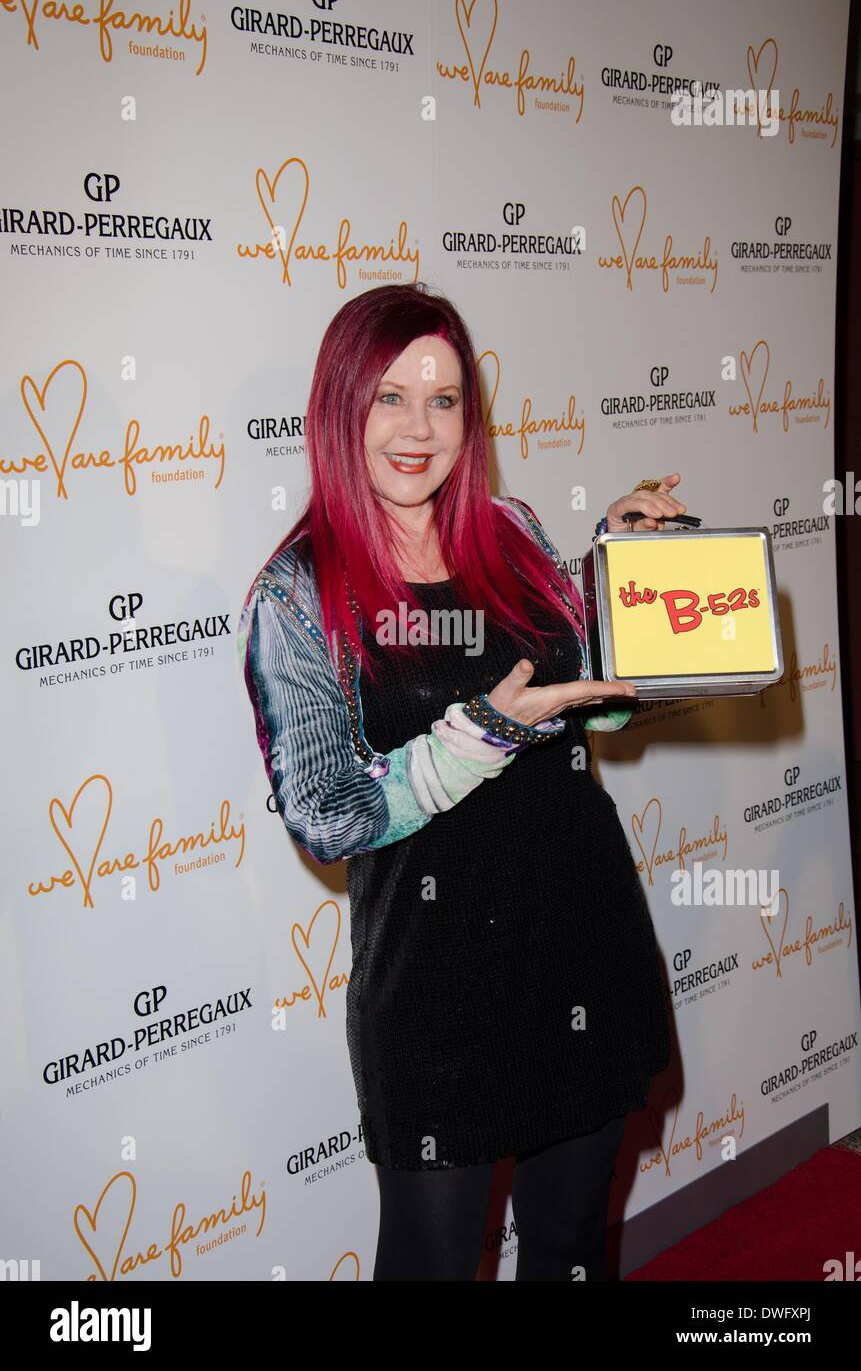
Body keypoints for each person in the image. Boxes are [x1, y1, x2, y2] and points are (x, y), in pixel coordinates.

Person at [237, 282, 677, 1282]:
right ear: (339, 408)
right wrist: (477, 735)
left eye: (443, 400)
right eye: (389, 396)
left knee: (569, 1250)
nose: (417, 427)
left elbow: (584, 695)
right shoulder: (298, 594)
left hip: (580, 947)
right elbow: (324, 814)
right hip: (437, 998)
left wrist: (624, 571)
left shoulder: (511, 530)